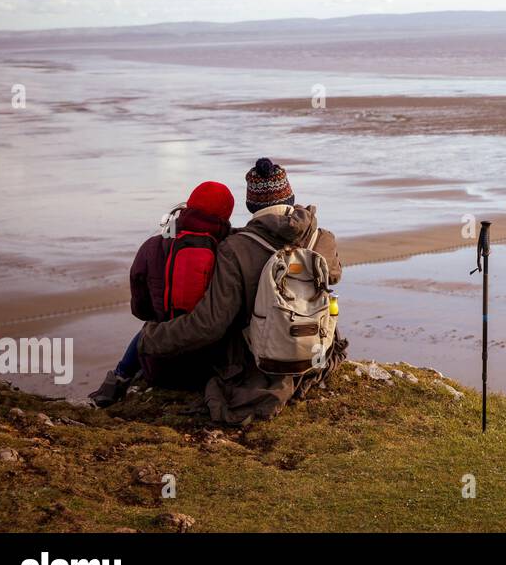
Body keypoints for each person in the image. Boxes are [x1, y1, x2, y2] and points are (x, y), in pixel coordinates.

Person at [138, 158, 349, 423]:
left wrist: (152, 338)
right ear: (291, 196)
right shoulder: (322, 237)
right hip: (315, 356)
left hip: (261, 361)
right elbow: (334, 274)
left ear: (250, 205)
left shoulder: (235, 249)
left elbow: (210, 324)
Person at [90, 181, 234, 407]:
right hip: (208, 369)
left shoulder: (153, 246)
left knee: (153, 324)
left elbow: (141, 309)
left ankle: (118, 378)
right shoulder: (228, 251)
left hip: (158, 367)